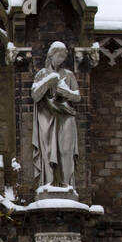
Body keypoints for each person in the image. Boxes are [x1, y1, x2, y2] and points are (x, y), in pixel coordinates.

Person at [31, 41, 80, 190]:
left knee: (66, 150)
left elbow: (77, 96)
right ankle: (49, 182)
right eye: (59, 55)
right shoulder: (42, 74)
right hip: (46, 117)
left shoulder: (69, 75)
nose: (61, 59)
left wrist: (64, 92)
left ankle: (65, 183)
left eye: (64, 56)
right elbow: (35, 95)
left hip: (66, 116)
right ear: (51, 55)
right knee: (48, 151)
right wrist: (48, 81)